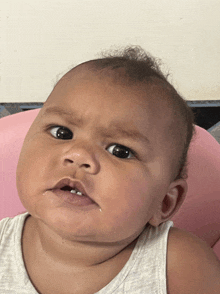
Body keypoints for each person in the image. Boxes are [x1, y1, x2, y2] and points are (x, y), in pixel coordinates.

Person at [0, 46, 220, 294]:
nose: (79, 155)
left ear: (165, 202)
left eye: (120, 151)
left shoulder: (180, 267)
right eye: (62, 133)